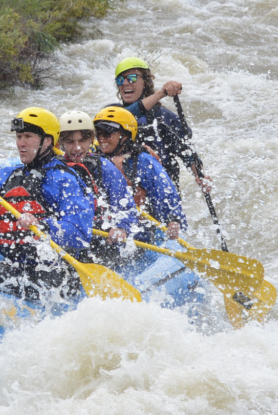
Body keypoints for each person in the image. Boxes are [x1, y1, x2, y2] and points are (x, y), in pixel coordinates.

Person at [0, 108, 93, 301]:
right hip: (16, 266)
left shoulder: (65, 179)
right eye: (19, 137)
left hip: (56, 272)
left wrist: (42, 225)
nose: (21, 144)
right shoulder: (6, 176)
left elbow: (79, 233)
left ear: (47, 141)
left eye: (28, 136)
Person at [112, 57, 209, 193]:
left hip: (163, 192)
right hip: (128, 193)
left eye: (132, 78)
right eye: (120, 80)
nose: (125, 83)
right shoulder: (111, 114)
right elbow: (126, 117)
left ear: (145, 81)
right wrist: (161, 93)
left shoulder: (164, 117)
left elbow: (186, 150)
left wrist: (200, 176)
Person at [57, 110, 139, 264]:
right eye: (70, 142)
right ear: (61, 142)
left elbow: (125, 204)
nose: (77, 148)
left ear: (91, 140)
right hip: (69, 239)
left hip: (102, 239)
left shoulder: (103, 167)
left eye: (82, 141)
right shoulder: (55, 168)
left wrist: (121, 228)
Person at [93, 106, 186, 242]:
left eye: (107, 133)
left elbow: (166, 194)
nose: (101, 139)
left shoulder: (143, 161)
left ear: (125, 135)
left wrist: (174, 220)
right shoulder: (94, 160)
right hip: (110, 231)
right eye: (98, 133)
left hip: (144, 232)